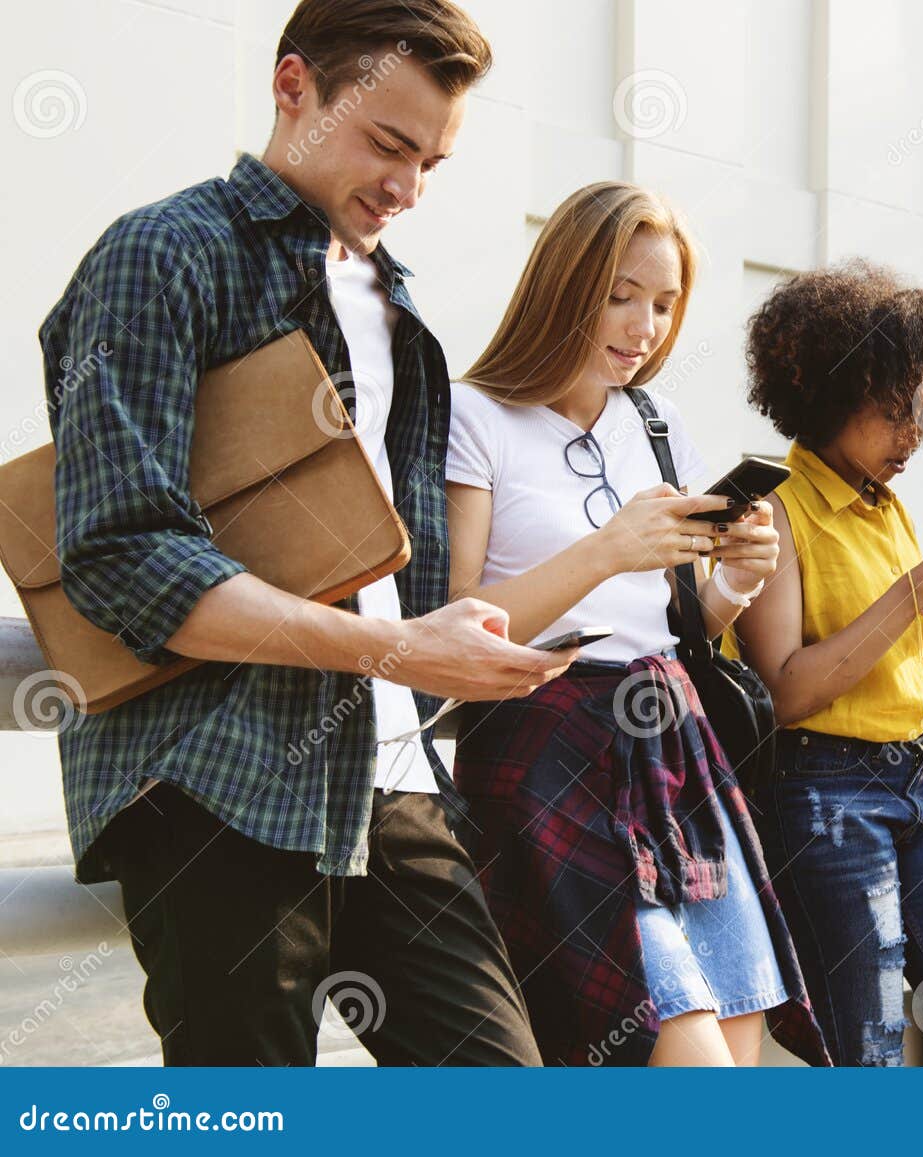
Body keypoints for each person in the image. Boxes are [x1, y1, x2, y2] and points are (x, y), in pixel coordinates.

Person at [41, 0, 561, 1065]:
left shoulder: (388, 297)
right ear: (294, 89)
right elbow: (121, 551)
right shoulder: (162, 253)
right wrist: (400, 649)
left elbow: (380, 560)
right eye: (387, 144)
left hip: (393, 777)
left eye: (434, 162)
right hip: (215, 779)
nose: (408, 188)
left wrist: (426, 640)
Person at [445, 181, 827, 1068]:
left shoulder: (654, 423)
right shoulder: (477, 415)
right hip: (545, 744)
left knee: (735, 1031)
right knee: (675, 1052)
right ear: (562, 285)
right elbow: (455, 626)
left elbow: (681, 619)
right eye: (620, 295)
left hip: (673, 737)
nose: (643, 326)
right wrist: (609, 548)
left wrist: (731, 583)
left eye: (663, 303)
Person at [729, 260, 923, 1066]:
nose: (912, 439)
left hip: (921, 782)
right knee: (864, 1048)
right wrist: (917, 591)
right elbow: (789, 691)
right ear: (830, 394)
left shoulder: (890, 505)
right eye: (890, 414)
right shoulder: (774, 507)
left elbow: (906, 670)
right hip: (825, 788)